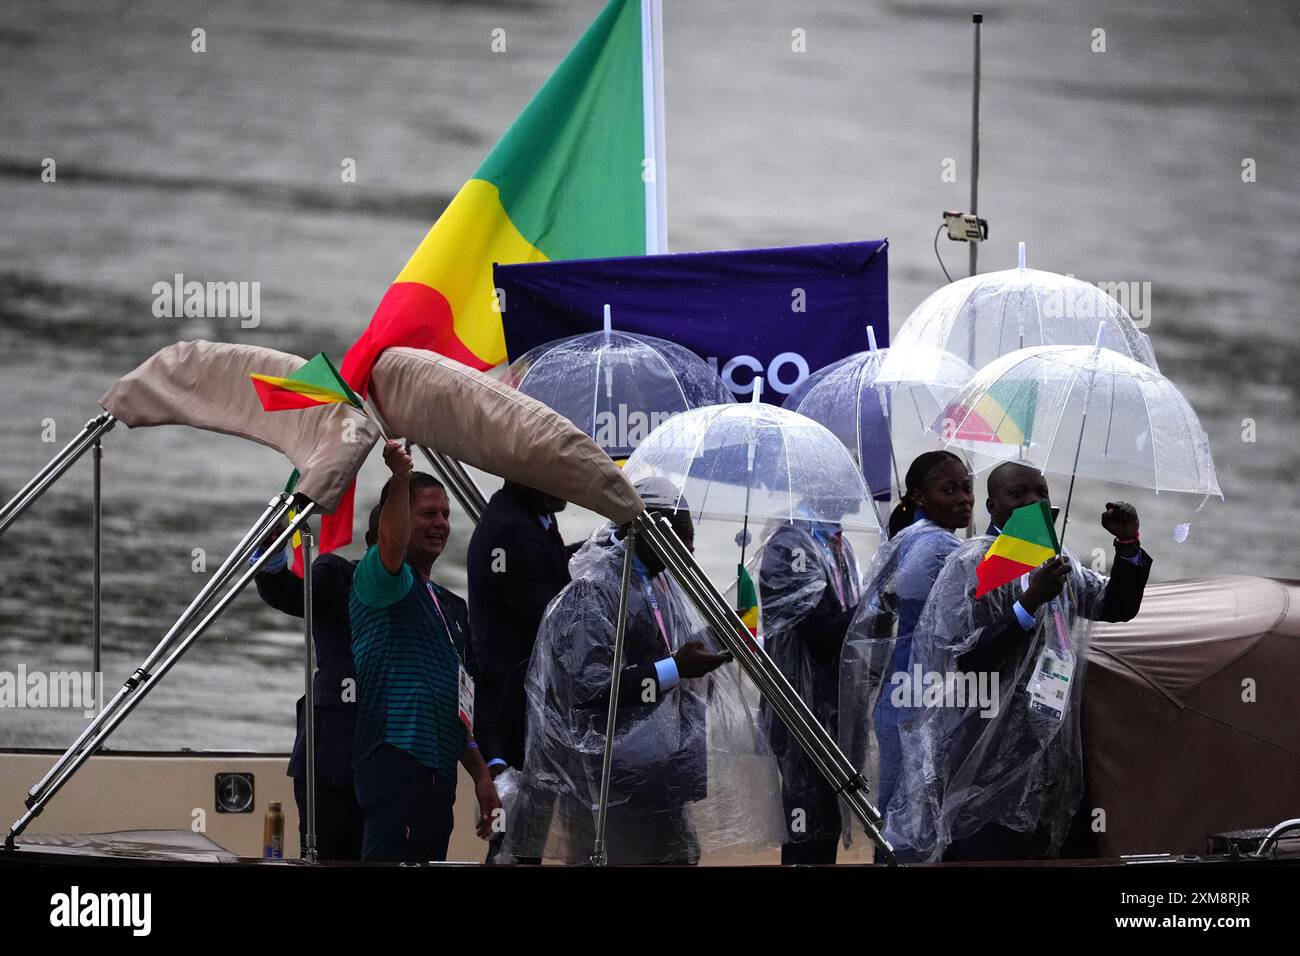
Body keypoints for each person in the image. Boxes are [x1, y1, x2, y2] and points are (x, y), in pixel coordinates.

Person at [887, 461, 1151, 861]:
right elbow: (968, 661)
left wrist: (1128, 544)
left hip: (1046, 751)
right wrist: (1030, 601)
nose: (1033, 503)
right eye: (1019, 495)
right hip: (981, 752)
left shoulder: (1054, 561)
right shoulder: (974, 563)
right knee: (985, 850)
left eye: (1041, 493)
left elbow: (1116, 606)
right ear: (992, 506)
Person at [504, 477, 733, 865]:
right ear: (650, 529)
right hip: (611, 788)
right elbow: (589, 688)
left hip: (657, 781)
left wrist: (714, 642)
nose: (690, 549)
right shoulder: (595, 589)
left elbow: (667, 654)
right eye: (683, 536)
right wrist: (676, 668)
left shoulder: (658, 584)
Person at [350, 440, 499, 862]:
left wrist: (481, 775)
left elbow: (457, 706)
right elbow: (392, 542)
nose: (441, 524)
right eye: (428, 513)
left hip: (439, 772)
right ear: (395, 518)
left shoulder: (451, 606)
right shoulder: (380, 580)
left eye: (446, 515)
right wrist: (399, 478)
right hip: (395, 759)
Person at [838, 451, 973, 857]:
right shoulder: (935, 546)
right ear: (920, 496)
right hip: (916, 705)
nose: (963, 498)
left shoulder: (913, 538)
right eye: (948, 490)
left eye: (966, 488)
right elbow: (922, 599)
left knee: (901, 815)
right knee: (907, 823)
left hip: (904, 699)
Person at [251, 505, 385, 861]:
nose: (438, 525)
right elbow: (289, 592)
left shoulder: (443, 605)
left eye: (444, 515)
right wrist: (273, 553)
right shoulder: (338, 576)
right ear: (374, 540)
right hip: (333, 765)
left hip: (400, 774)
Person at [466, 480, 573, 863]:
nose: (569, 480)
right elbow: (549, 623)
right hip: (514, 720)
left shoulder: (530, 518)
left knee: (520, 847)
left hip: (521, 717)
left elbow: (550, 574)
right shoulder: (512, 529)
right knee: (514, 849)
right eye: (557, 470)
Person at [758, 494, 863, 865]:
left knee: (825, 821)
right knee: (806, 823)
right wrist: (873, 606)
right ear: (821, 485)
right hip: (802, 707)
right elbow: (820, 634)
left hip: (832, 703)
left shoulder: (837, 543)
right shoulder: (789, 545)